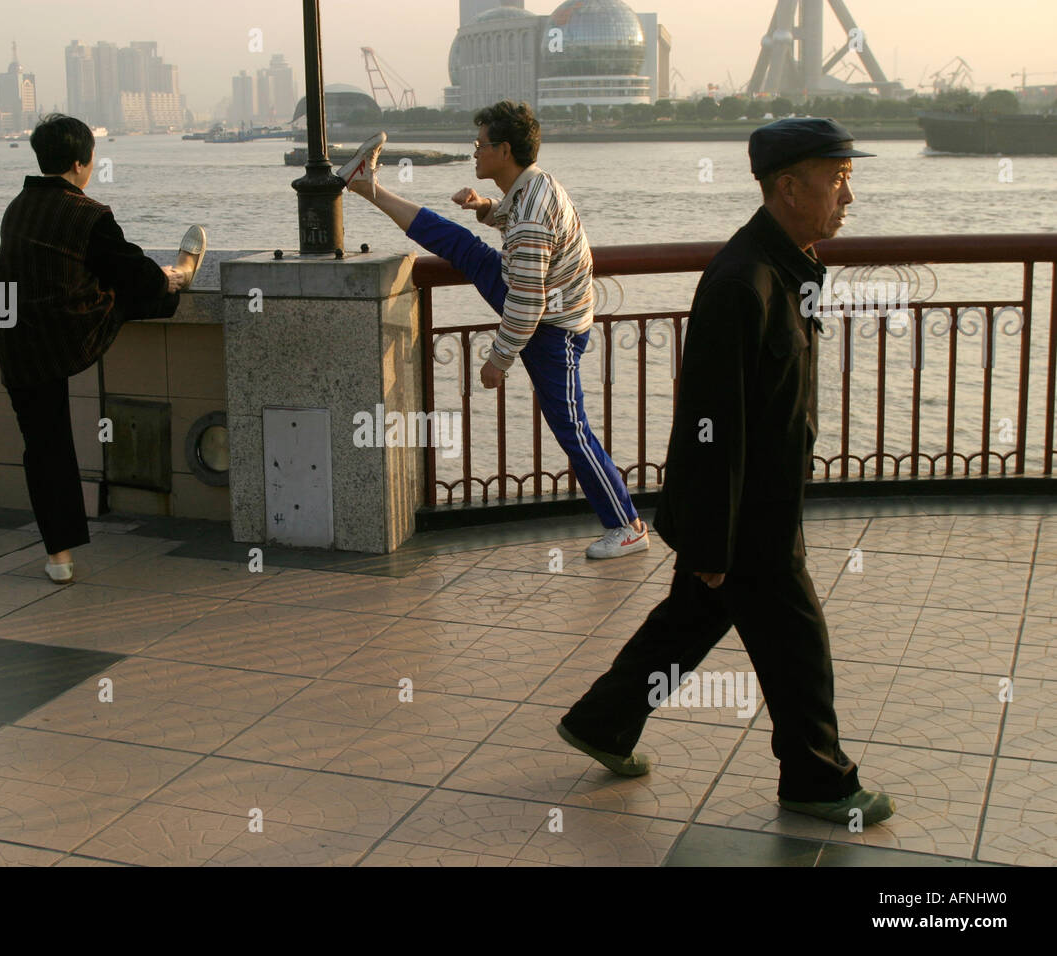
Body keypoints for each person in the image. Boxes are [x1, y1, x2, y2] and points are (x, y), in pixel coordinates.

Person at [555, 118, 897, 826]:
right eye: (836, 180)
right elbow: (710, 425)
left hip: (752, 507)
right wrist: (712, 544)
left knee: (689, 621)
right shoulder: (745, 280)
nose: (848, 197)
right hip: (749, 518)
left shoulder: (786, 267)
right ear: (785, 186)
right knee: (797, 647)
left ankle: (603, 721)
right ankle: (817, 780)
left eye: (848, 180)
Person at [339, 100, 648, 560]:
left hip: (551, 329)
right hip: (549, 314)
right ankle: (368, 187)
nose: (475, 152)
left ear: (504, 150)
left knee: (573, 430)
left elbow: (527, 303)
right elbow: (510, 220)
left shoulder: (530, 217)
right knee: (461, 244)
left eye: (480, 145)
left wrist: (496, 362)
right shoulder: (533, 186)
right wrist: (484, 206)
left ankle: (627, 525)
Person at [0, 113, 206, 584]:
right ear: (80, 163)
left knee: (45, 449)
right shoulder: (88, 213)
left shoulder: (16, 207)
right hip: (67, 332)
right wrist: (162, 281)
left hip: (16, 339)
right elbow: (131, 270)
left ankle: (59, 558)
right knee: (144, 285)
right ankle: (181, 277)